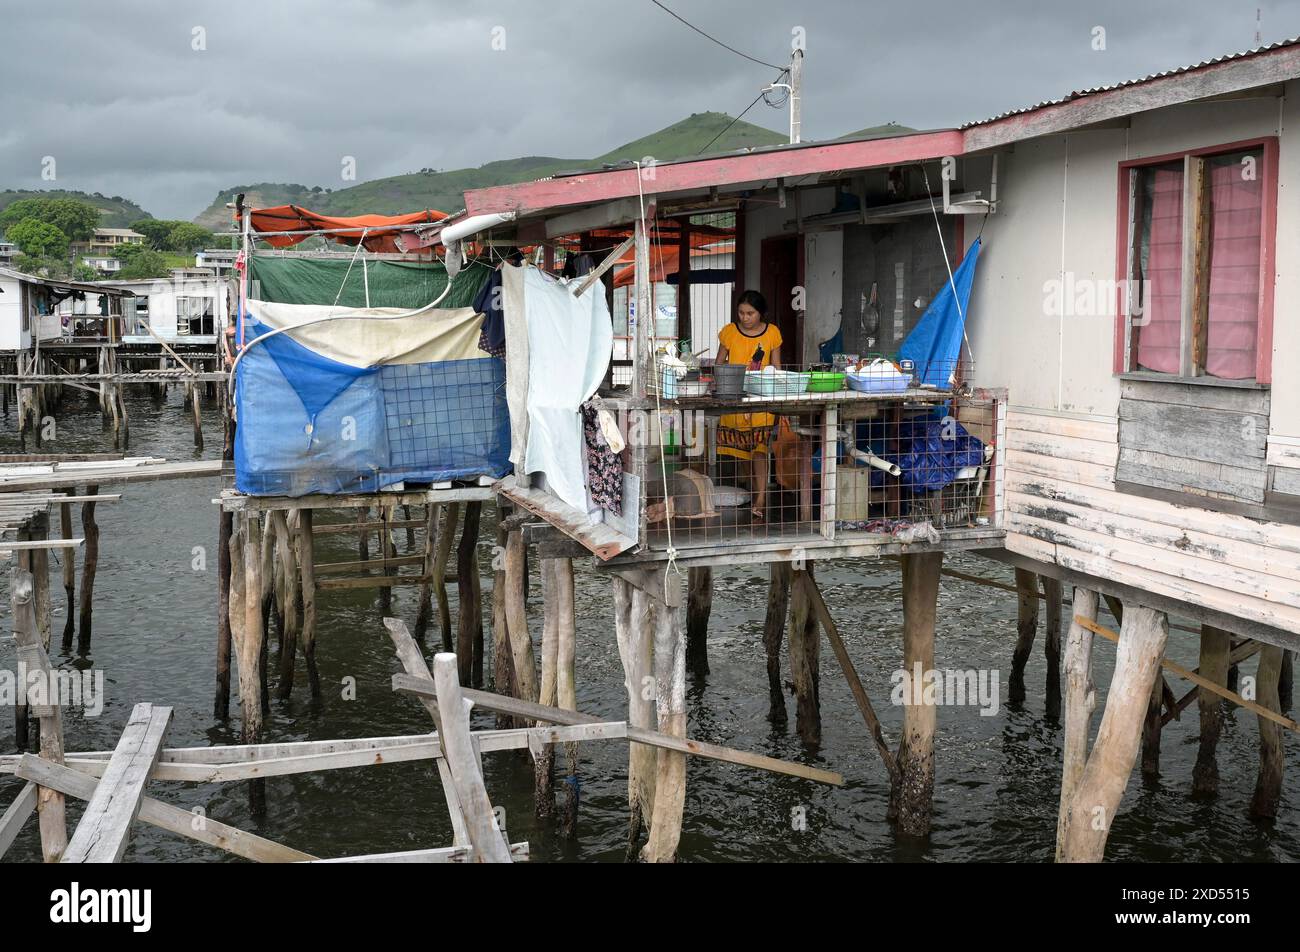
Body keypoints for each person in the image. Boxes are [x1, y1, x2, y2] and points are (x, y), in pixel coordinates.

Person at [715, 289, 783, 521]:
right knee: (741, 452)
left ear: (761, 313)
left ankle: (761, 498)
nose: (745, 317)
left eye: (750, 313)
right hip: (735, 398)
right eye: (741, 313)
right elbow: (719, 363)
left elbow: (776, 367)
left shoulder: (772, 333)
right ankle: (749, 491)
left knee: (759, 450)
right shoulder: (729, 332)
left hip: (760, 399)